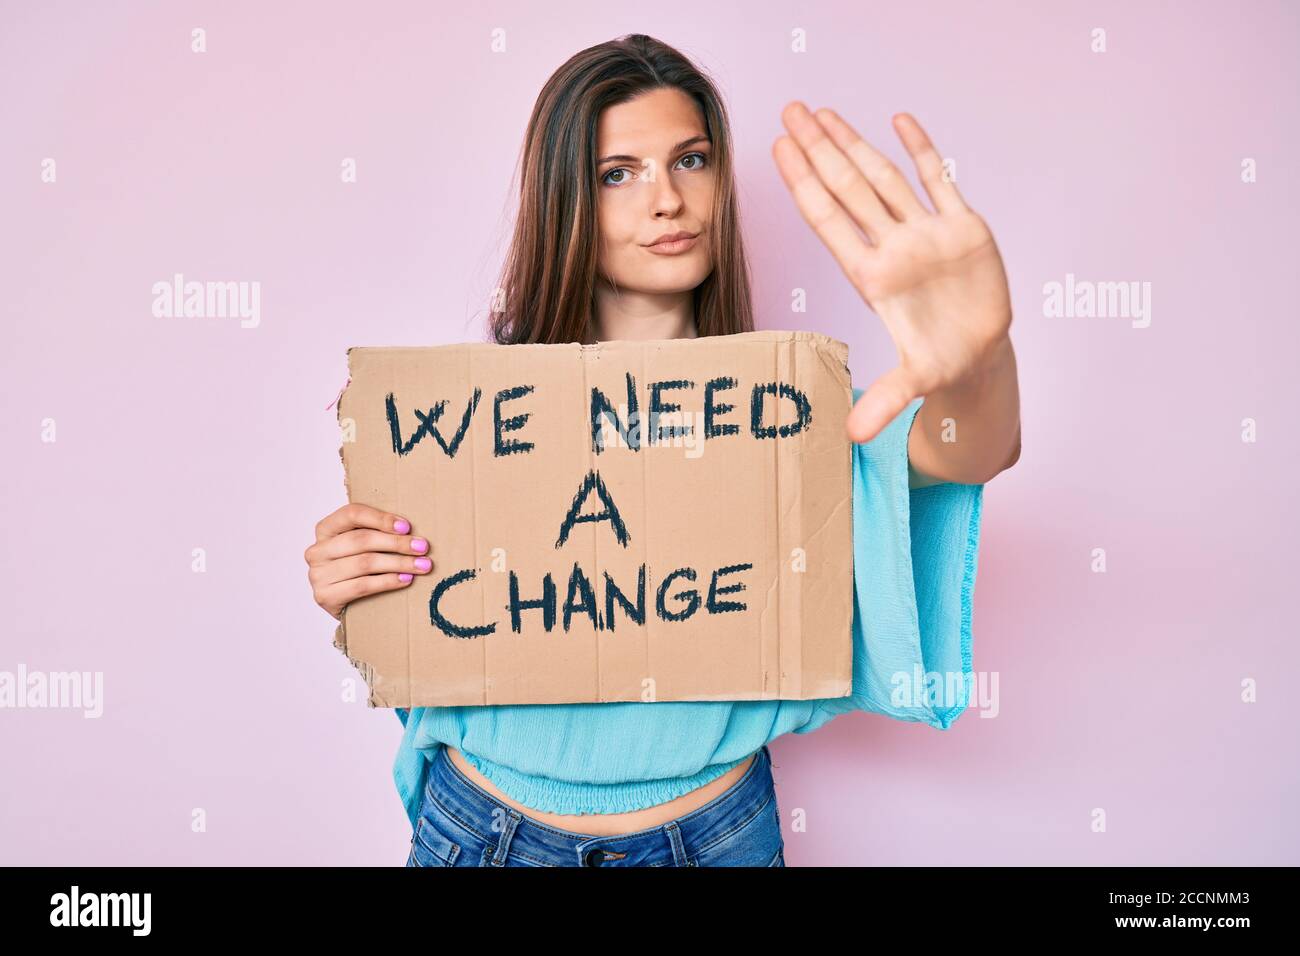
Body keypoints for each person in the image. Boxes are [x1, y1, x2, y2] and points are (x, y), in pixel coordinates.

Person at [304, 34, 1020, 867]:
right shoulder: (461, 424)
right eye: (619, 173)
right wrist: (355, 581)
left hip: (717, 835)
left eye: (691, 160)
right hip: (487, 832)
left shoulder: (786, 414)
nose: (668, 200)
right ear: (566, 200)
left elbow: (970, 451)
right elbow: (417, 615)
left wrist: (979, 359)